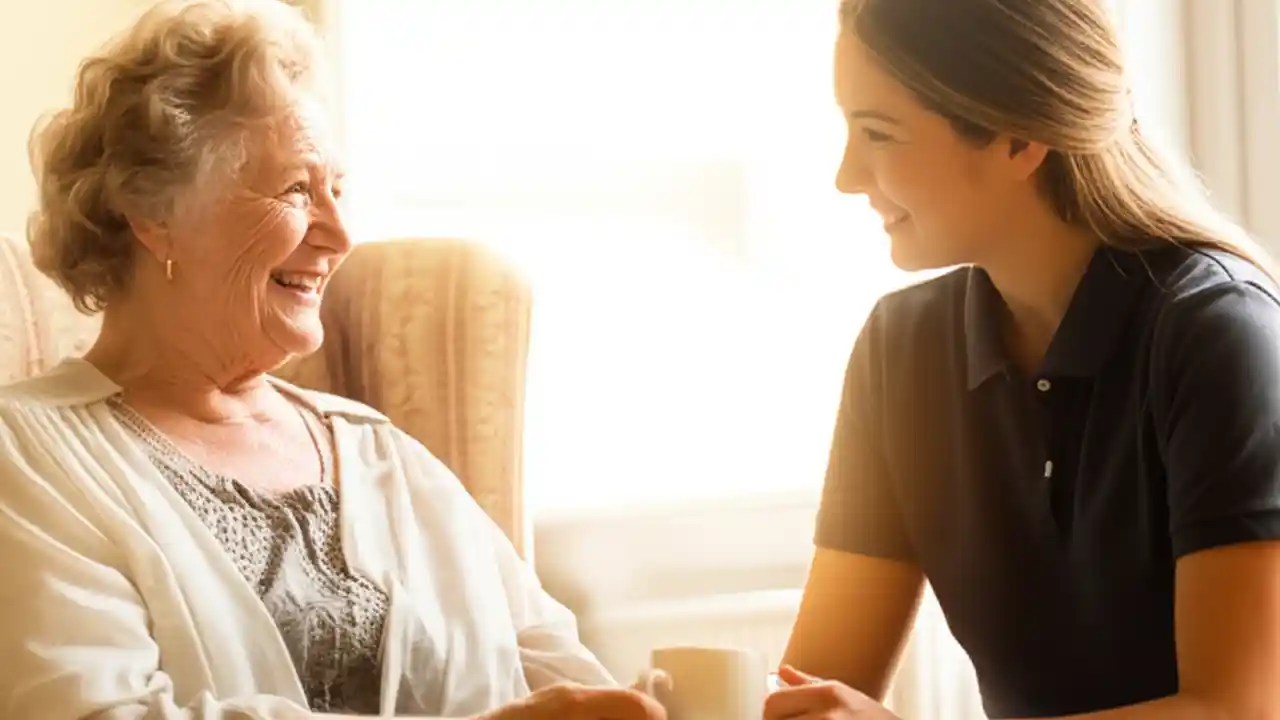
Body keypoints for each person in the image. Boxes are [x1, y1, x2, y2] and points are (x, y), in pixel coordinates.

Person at [0, 1, 664, 719]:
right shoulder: (28, 460)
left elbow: (578, 691)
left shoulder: (381, 455)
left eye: (337, 190)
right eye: (294, 190)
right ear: (154, 215)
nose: (340, 233)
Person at [765, 1, 1280, 718]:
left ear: (1017, 139)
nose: (847, 175)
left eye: (877, 132)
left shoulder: (1218, 333)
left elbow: (1237, 711)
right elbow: (809, 698)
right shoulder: (900, 350)